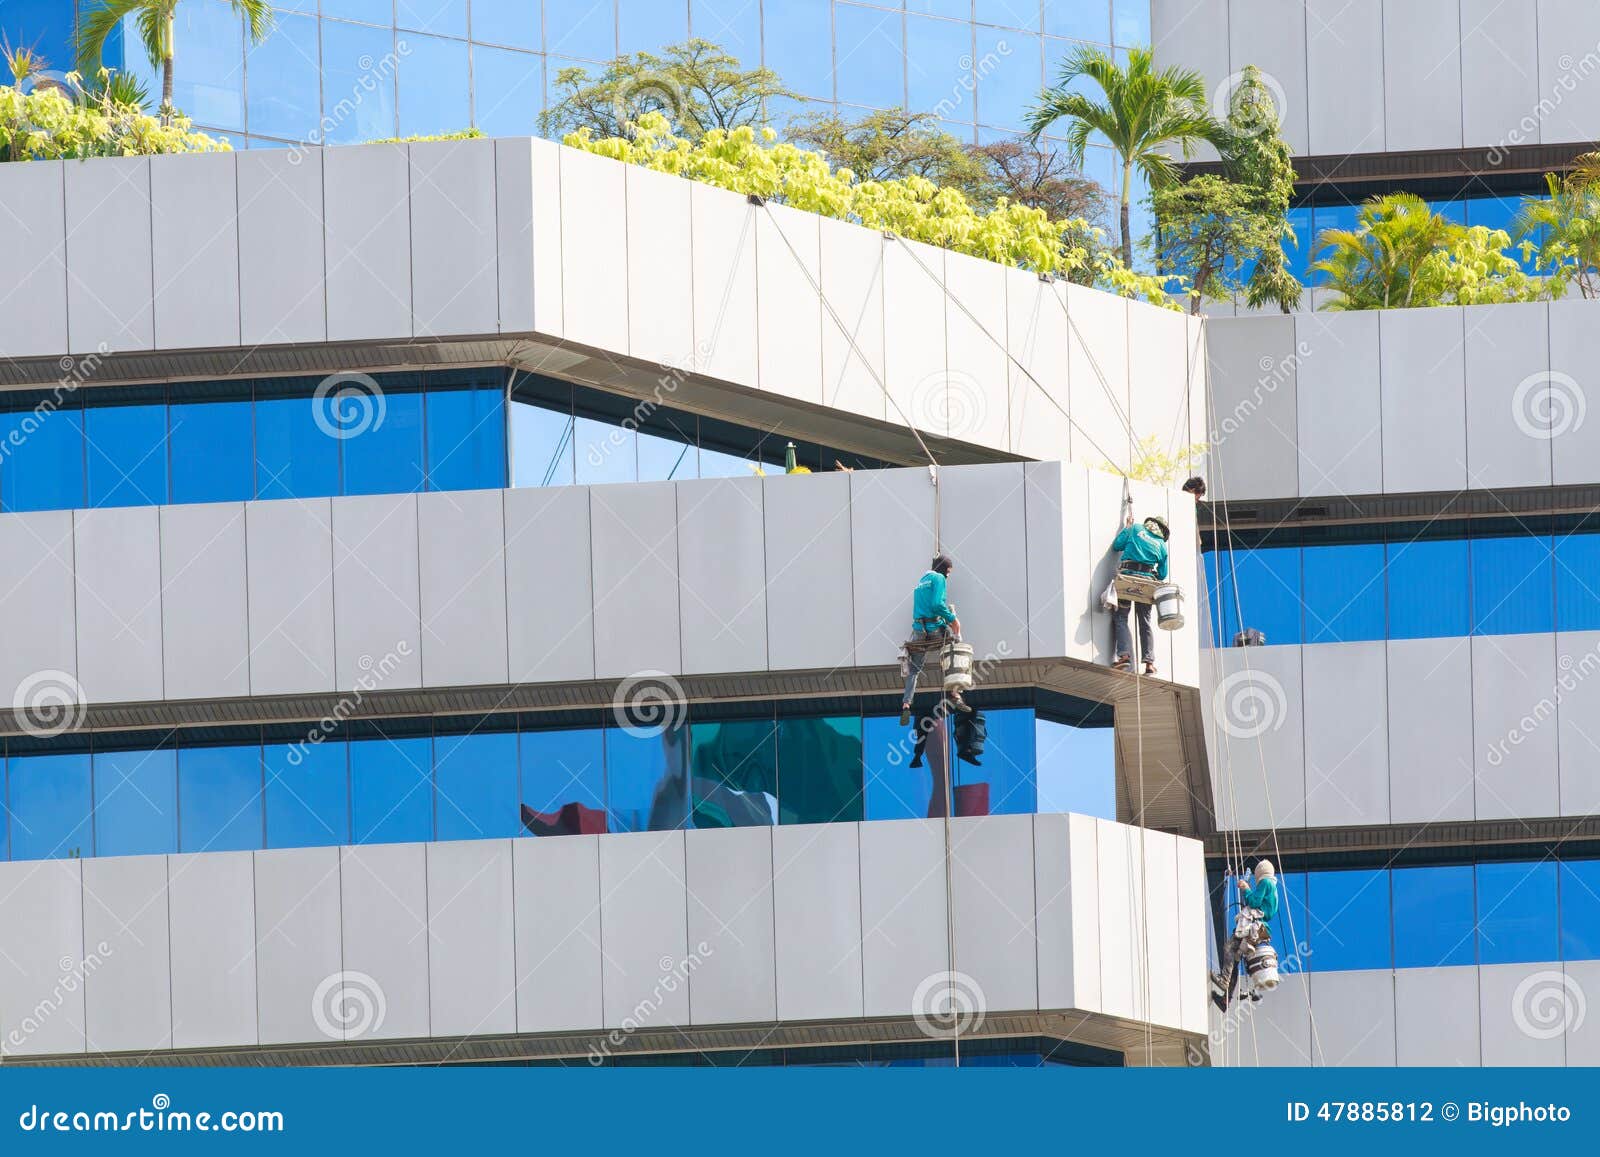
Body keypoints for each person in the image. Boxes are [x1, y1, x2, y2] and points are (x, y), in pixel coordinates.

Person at [900, 553, 971, 725]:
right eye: (948, 571)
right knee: (954, 646)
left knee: (914, 669)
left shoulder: (922, 580)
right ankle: (955, 694)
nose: (948, 575)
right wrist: (952, 620)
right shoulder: (939, 578)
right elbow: (936, 605)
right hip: (933, 629)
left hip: (918, 632)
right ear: (943, 569)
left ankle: (906, 704)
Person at [1212, 860, 1280, 1011]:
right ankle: (1225, 999)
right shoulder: (1274, 888)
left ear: (1259, 873)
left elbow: (1254, 901)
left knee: (1229, 948)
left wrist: (1246, 889)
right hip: (1261, 930)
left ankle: (1224, 981)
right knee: (1235, 958)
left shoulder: (1265, 883)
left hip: (1252, 926)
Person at [1110, 511, 1170, 674]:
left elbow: (1117, 545)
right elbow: (1163, 574)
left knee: (1121, 616)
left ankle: (1124, 657)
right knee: (1145, 621)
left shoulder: (1135, 528)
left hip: (1127, 578)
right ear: (1162, 532)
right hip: (1146, 581)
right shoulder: (1162, 545)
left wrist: (1127, 527)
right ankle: (1149, 663)